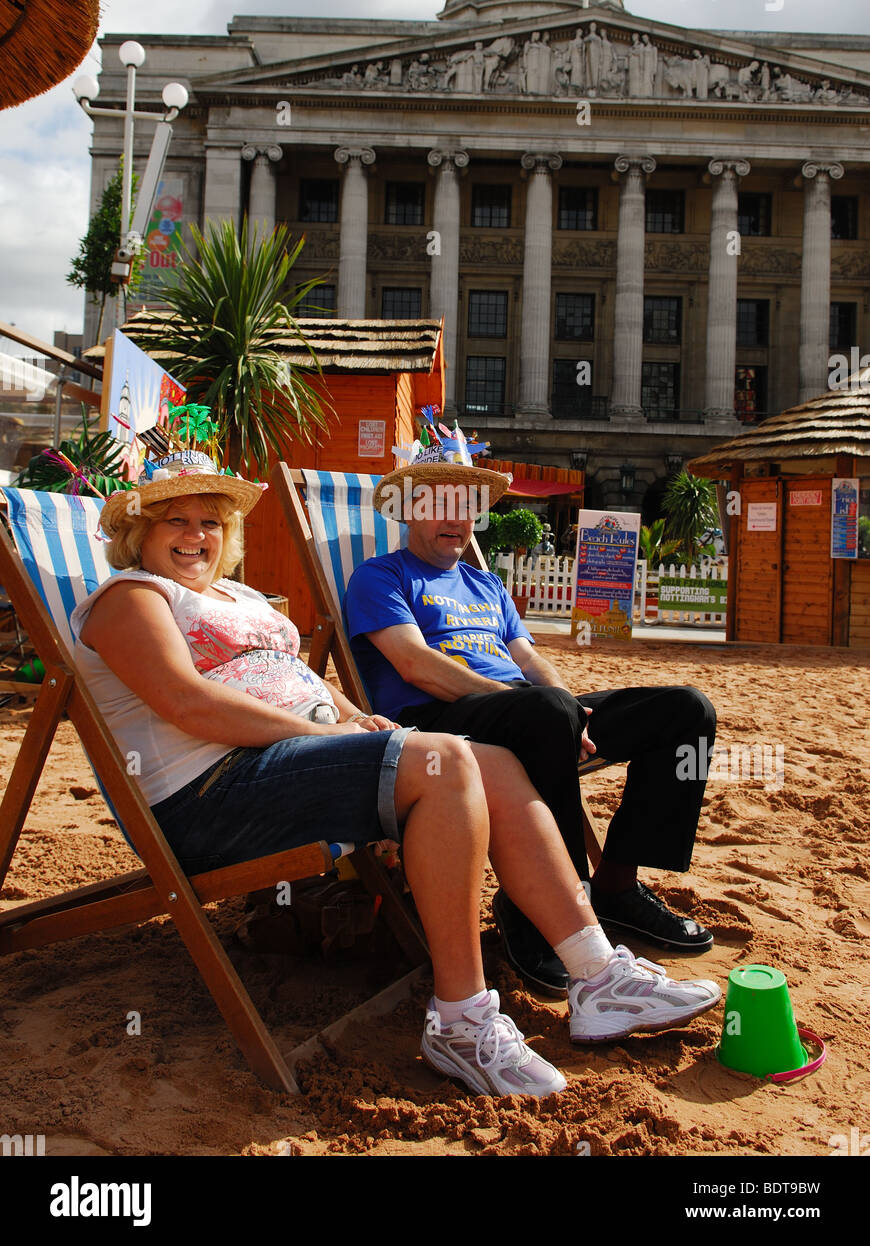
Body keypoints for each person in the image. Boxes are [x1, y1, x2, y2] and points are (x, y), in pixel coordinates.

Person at [70, 448, 721, 1099]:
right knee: (447, 759)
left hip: (289, 763)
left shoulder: (237, 595)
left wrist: (356, 717)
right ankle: (462, 1020)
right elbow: (188, 702)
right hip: (213, 794)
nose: (196, 536)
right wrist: (329, 732)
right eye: (175, 521)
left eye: (210, 521)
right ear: (139, 532)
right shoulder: (131, 596)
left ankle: (597, 975)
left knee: (489, 762)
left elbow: (295, 681)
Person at [344, 448, 718, 999]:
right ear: (408, 510)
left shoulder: (485, 585)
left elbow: (529, 660)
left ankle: (616, 885)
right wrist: (545, 707)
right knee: (546, 713)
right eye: (439, 503)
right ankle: (538, 908)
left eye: (466, 506)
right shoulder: (380, 577)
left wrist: (572, 706)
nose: (456, 518)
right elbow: (416, 666)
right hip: (440, 723)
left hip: (532, 714)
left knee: (687, 710)